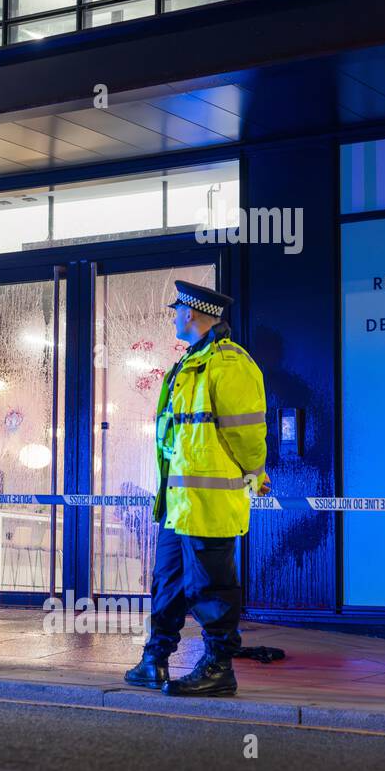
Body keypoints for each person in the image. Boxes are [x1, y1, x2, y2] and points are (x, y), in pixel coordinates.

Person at [124, 281, 271, 697]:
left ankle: (218, 667)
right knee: (167, 582)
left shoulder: (229, 363)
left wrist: (255, 473)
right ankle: (155, 659)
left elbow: (248, 434)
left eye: (177, 311)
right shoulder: (191, 363)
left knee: (212, 587)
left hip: (209, 503)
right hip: (179, 503)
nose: (173, 317)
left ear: (191, 313)